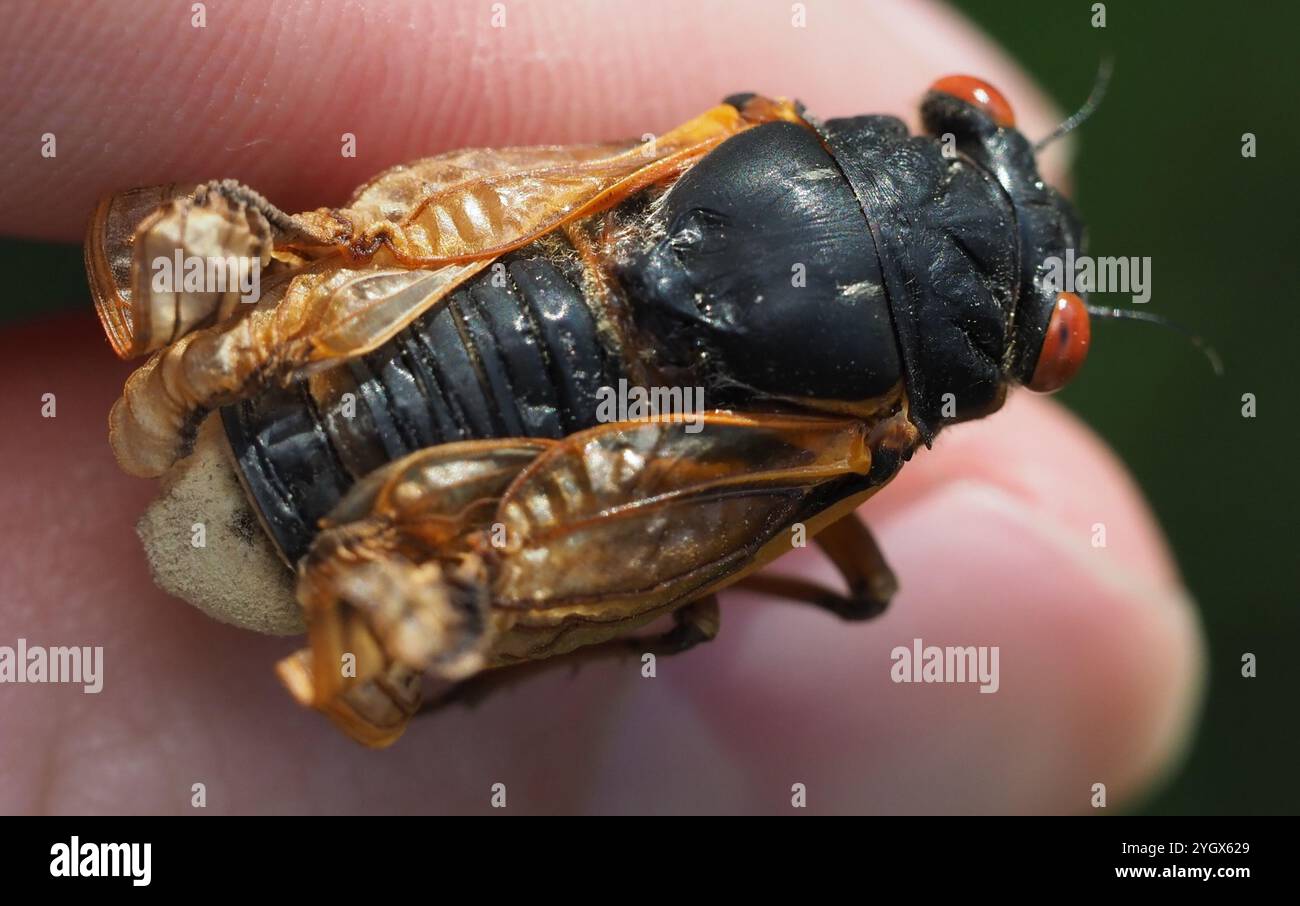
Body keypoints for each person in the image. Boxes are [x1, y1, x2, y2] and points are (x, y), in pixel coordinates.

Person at [0, 0, 1200, 814]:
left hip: (429, 320)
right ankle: (426, 628)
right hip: (465, 514)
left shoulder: (750, 129)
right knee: (730, 613)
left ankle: (246, 332)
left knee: (429, 239)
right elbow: (858, 590)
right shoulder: (865, 434)